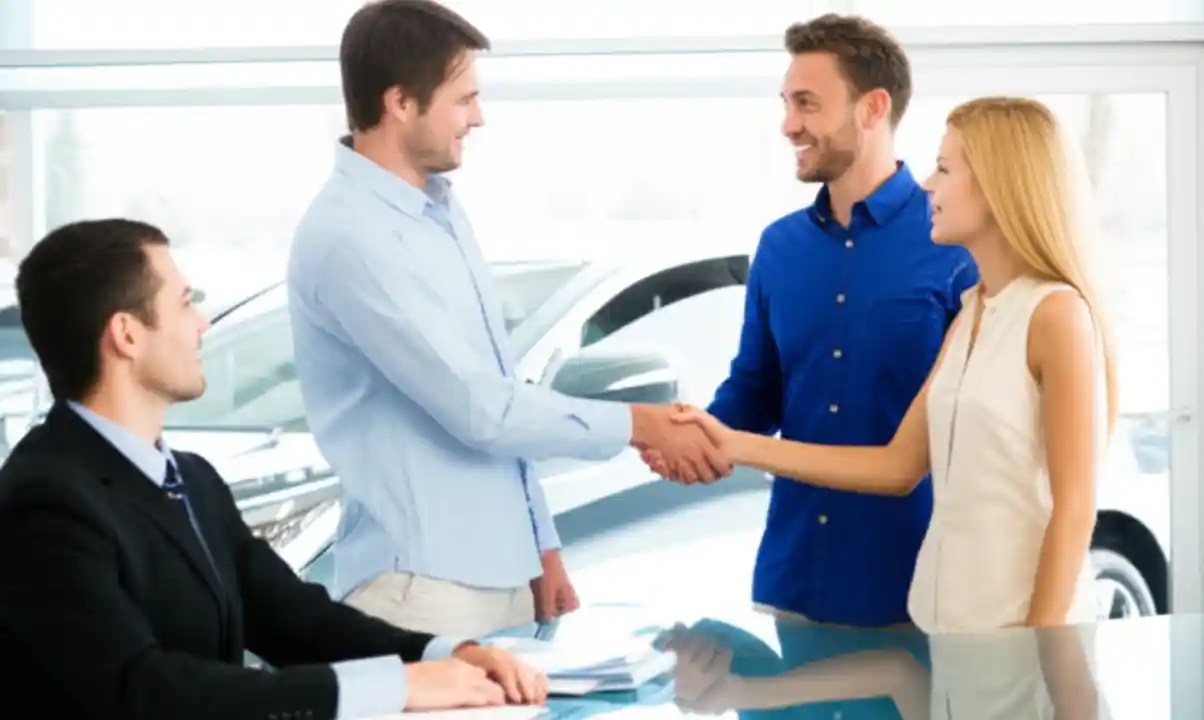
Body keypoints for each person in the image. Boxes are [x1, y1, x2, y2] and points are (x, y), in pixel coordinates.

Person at [287, 0, 729, 639]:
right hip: (422, 589)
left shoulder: (437, 211)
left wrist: (539, 545)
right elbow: (479, 409)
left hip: (500, 582)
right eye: (463, 99)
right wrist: (642, 424)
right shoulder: (351, 236)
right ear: (400, 103)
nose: (478, 117)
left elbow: (496, 387)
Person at [0, 219, 548, 720]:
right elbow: (143, 689)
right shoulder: (44, 500)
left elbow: (297, 621)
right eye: (186, 303)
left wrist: (450, 653)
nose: (203, 323)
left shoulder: (192, 479)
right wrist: (397, 688)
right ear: (127, 335)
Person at [666, 96, 1117, 634]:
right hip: (948, 629)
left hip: (1019, 643)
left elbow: (1075, 510)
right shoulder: (973, 311)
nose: (928, 185)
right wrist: (730, 442)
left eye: (945, 169)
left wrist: (1032, 655)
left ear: (1000, 187)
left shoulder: (1055, 314)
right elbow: (896, 466)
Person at [650, 14, 977, 628]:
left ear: (872, 108)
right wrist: (695, 442)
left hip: (918, 588)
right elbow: (756, 387)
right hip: (795, 581)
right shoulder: (778, 248)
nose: (788, 125)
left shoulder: (953, 243)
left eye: (806, 104)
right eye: (786, 103)